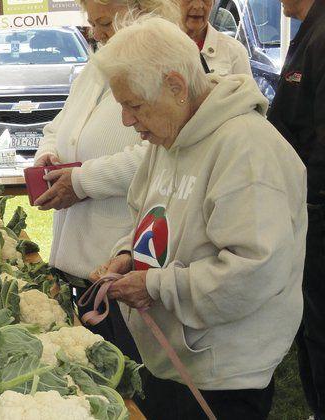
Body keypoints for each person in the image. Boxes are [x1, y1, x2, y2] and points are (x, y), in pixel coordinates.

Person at [90, 17, 306, 419]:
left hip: (223, 377)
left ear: (176, 86)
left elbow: (253, 271)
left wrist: (154, 284)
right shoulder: (168, 134)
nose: (126, 120)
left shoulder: (248, 149)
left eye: (133, 105)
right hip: (173, 361)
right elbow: (144, 215)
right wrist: (126, 256)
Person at [32, 0, 182, 361]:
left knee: (129, 373)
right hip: (78, 257)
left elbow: (157, 155)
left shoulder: (164, 71)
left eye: (104, 23)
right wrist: (48, 156)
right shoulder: (98, 68)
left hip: (120, 265)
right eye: (91, 23)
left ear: (141, 16)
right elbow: (59, 125)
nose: (94, 34)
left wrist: (82, 181)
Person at [267, 0, 325, 417]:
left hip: (316, 210)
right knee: (310, 330)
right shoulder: (309, 28)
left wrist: (298, 192)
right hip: (305, 208)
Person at [178, 0, 250, 75]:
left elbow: (248, 86)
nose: (198, 6)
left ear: (214, 2)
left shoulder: (235, 52)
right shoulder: (165, 46)